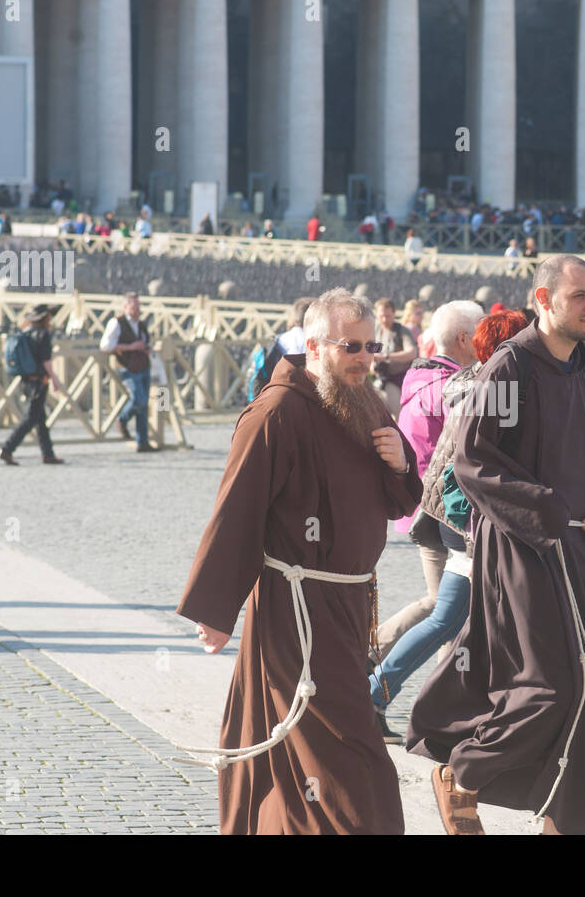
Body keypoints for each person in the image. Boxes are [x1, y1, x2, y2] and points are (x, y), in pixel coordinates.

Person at [406, 254, 585, 836]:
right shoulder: (509, 366)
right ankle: (462, 775)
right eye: (579, 297)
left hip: (573, 550)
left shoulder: (581, 370)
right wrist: (545, 506)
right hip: (518, 548)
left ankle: (564, 816)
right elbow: (474, 461)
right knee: (546, 686)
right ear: (544, 301)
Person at [175, 288, 422, 834]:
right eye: (350, 346)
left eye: (371, 345)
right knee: (348, 748)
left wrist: (402, 464)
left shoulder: (366, 402)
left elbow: (401, 502)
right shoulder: (276, 413)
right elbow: (236, 512)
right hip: (296, 610)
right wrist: (216, 611)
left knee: (301, 747)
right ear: (313, 346)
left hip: (351, 603)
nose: (364, 357)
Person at [370, 311, 527, 734]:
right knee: (489, 622)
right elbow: (495, 464)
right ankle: (470, 713)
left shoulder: (467, 382)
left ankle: (375, 694)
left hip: (453, 519)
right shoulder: (500, 390)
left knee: (448, 618)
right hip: (476, 524)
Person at [0, 304, 65, 466]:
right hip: (39, 380)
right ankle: (7, 449)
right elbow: (46, 361)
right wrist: (55, 379)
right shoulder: (43, 335)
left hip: (27, 379)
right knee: (31, 418)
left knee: (40, 419)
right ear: (46, 318)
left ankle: (48, 454)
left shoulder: (26, 332)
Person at [99, 292, 158, 452]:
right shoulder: (117, 323)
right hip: (128, 367)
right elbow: (105, 346)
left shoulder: (141, 324)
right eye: (134, 306)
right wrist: (131, 347)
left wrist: (146, 348)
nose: (137, 309)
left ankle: (142, 441)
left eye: (138, 306)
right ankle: (122, 419)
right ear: (125, 307)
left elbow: (146, 341)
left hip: (143, 365)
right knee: (138, 399)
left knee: (144, 404)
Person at [372, 297, 418, 417]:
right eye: (381, 316)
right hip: (380, 380)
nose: (384, 319)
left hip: (398, 381)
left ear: (394, 313)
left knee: (400, 416)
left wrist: (387, 357)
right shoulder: (376, 331)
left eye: (388, 316)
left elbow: (412, 352)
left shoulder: (402, 331)